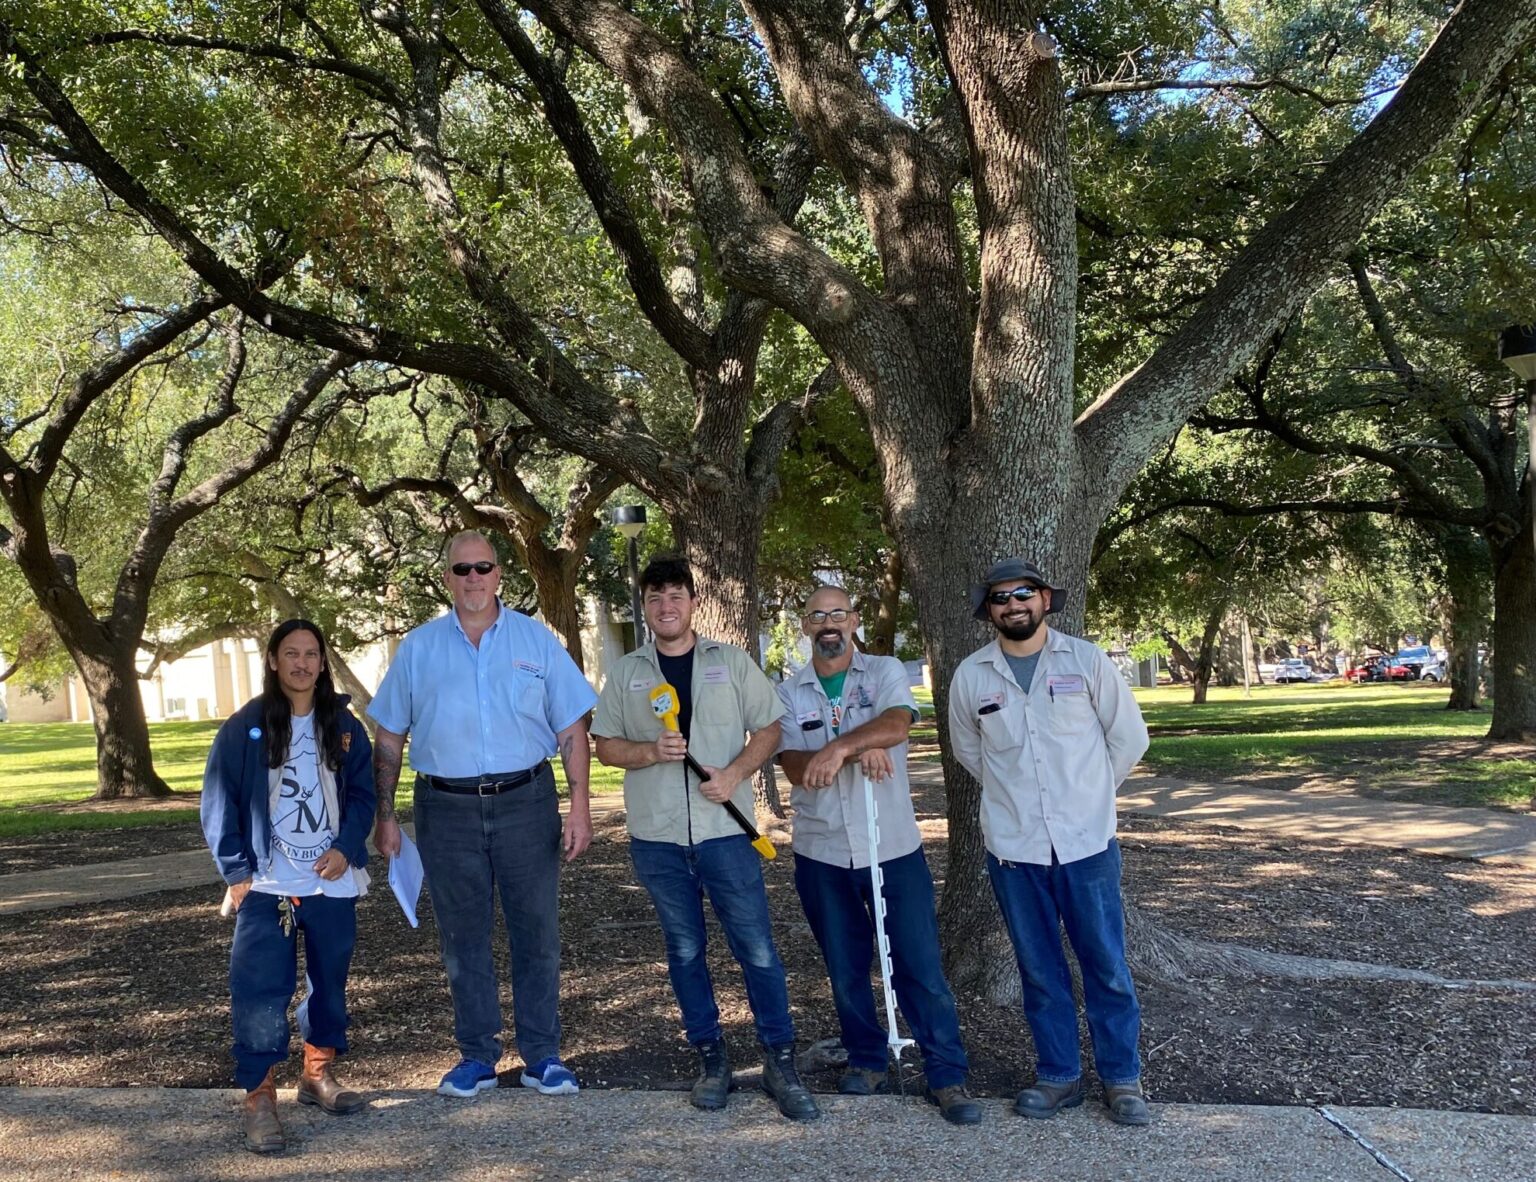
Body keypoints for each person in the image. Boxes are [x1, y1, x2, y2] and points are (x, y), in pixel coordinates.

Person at [369, 530, 597, 1098]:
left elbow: (572, 727)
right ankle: (476, 1056)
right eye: (461, 569)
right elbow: (390, 737)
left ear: (500, 575)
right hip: (445, 809)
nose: (473, 578)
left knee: (536, 931)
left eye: (483, 568)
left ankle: (543, 1055)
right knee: (462, 938)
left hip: (527, 801)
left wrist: (581, 807)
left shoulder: (535, 641)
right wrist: (385, 816)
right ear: (447, 578)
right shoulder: (418, 649)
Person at [591, 556, 819, 1121]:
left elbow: (771, 727)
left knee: (757, 948)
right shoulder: (626, 673)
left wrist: (736, 773)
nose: (666, 606)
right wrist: (648, 753)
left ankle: (778, 1057)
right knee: (685, 950)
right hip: (658, 838)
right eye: (654, 598)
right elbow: (605, 746)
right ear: (645, 608)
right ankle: (711, 1058)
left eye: (675, 595)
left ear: (692, 602)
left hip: (726, 834)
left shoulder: (732, 662)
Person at [947, 557, 1153, 1127]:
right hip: (1015, 851)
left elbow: (1129, 738)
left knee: (1106, 964)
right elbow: (971, 752)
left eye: (1024, 594)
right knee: (1038, 968)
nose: (1013, 605)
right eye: (1000, 597)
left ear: (1045, 599)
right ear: (988, 610)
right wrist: (1021, 798)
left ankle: (1122, 1078)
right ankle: (1058, 1075)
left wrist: (1087, 794)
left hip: (1087, 846)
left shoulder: (1085, 660)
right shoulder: (972, 676)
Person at [776, 585, 981, 1126]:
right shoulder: (788, 691)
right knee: (845, 968)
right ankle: (866, 1060)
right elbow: (796, 766)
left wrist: (848, 745)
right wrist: (859, 749)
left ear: (854, 621)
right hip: (821, 851)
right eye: (816, 615)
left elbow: (897, 723)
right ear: (804, 626)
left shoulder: (886, 669)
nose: (828, 624)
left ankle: (946, 1071)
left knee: (919, 963)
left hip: (891, 846)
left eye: (837, 614)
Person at [200, 619, 375, 1154]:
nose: (302, 663)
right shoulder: (245, 727)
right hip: (267, 887)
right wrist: (237, 871)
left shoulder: (343, 727)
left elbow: (364, 796)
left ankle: (317, 1073)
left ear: (323, 663)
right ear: (273, 660)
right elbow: (217, 801)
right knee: (259, 991)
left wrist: (345, 847)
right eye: (291, 653)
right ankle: (259, 1097)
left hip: (330, 885)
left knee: (329, 982)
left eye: (312, 654)